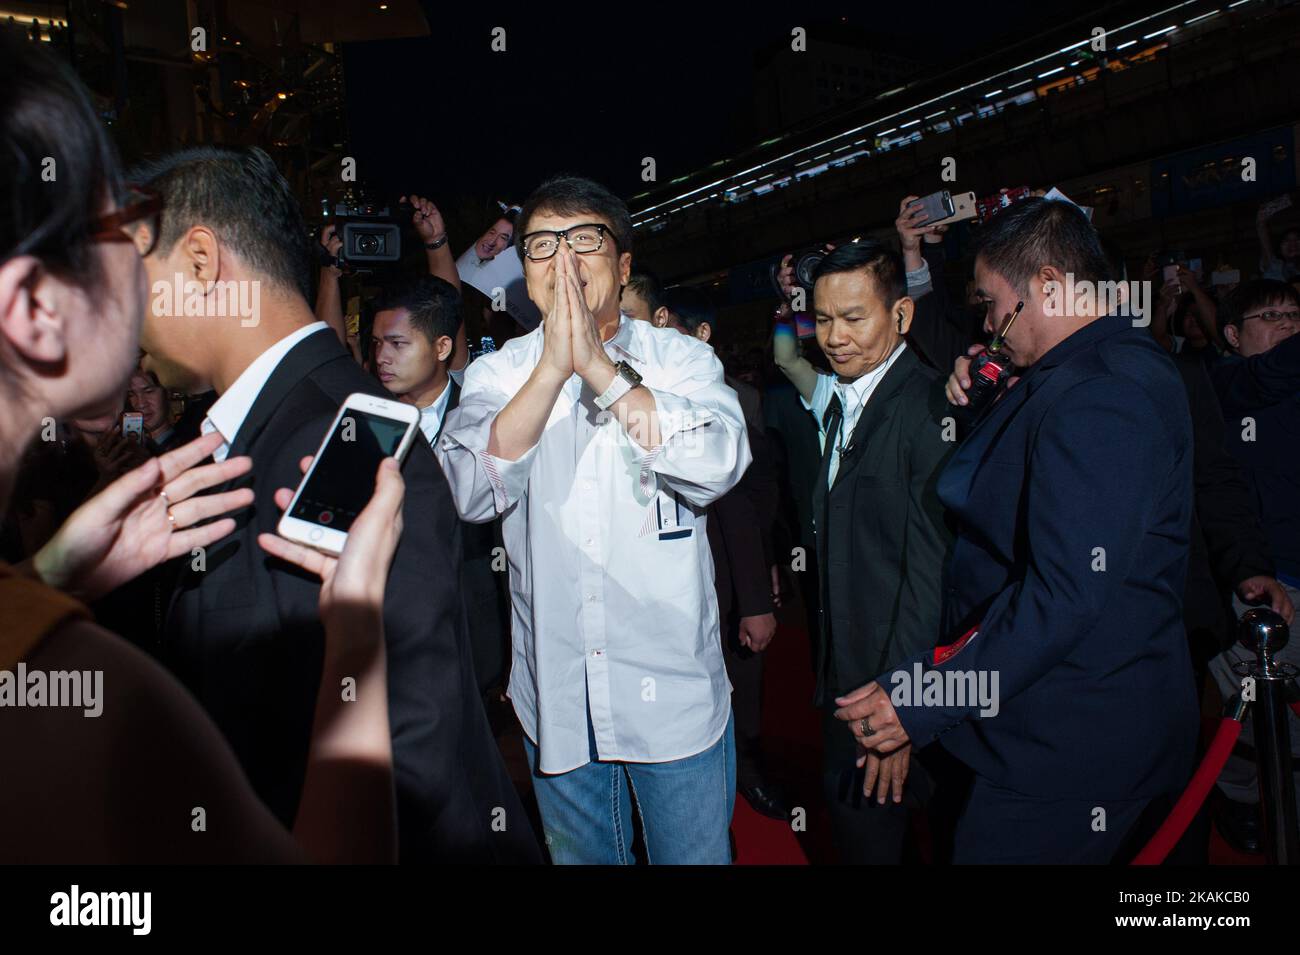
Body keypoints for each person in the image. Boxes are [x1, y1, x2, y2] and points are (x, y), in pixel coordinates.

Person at [0, 33, 400, 863]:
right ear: (36, 309)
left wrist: (44, 583)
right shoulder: (90, 697)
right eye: (124, 223)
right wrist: (357, 638)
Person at [131, 144, 539, 863]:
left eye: (136, 273)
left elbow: (411, 749)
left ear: (200, 261)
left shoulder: (344, 442)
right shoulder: (252, 428)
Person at [835, 198, 1199, 863]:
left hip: (1069, 747)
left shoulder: (1102, 392)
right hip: (1056, 723)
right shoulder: (1088, 368)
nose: (989, 324)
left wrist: (925, 696)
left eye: (994, 303)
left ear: (1052, 286)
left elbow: (1063, 596)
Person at [436, 176, 751, 864]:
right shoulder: (498, 374)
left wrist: (604, 375)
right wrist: (552, 370)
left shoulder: (682, 360)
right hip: (559, 694)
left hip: (672, 694)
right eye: (542, 246)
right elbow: (467, 488)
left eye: (586, 241)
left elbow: (719, 460)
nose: (565, 261)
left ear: (626, 265)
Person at [773, 240, 956, 863]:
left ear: (902, 316)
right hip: (845, 683)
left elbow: (929, 576)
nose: (835, 337)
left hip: (894, 697)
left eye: (855, 318)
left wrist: (905, 707)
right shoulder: (840, 398)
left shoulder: (929, 407)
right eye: (823, 319)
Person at [658, 285, 789, 821]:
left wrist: (759, 589)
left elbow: (751, 506)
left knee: (739, 693)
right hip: (662, 597)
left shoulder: (729, 401)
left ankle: (745, 776)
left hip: (727, 581)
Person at [371, 274, 511, 694]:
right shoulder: (360, 420)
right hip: (388, 632)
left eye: (397, 344)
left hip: (474, 634)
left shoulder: (483, 414)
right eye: (376, 344)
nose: (382, 357)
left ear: (442, 347)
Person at [1206, 278, 1300, 848]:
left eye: (1295, 314)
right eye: (1271, 315)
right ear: (1234, 336)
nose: (1289, 324)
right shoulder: (1223, 383)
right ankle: (1241, 797)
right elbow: (1271, 376)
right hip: (1266, 581)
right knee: (1255, 714)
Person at [127, 366, 180, 453]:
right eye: (131, 394)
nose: (140, 404)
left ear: (167, 392)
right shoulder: (125, 450)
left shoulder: (187, 443)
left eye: (149, 392)